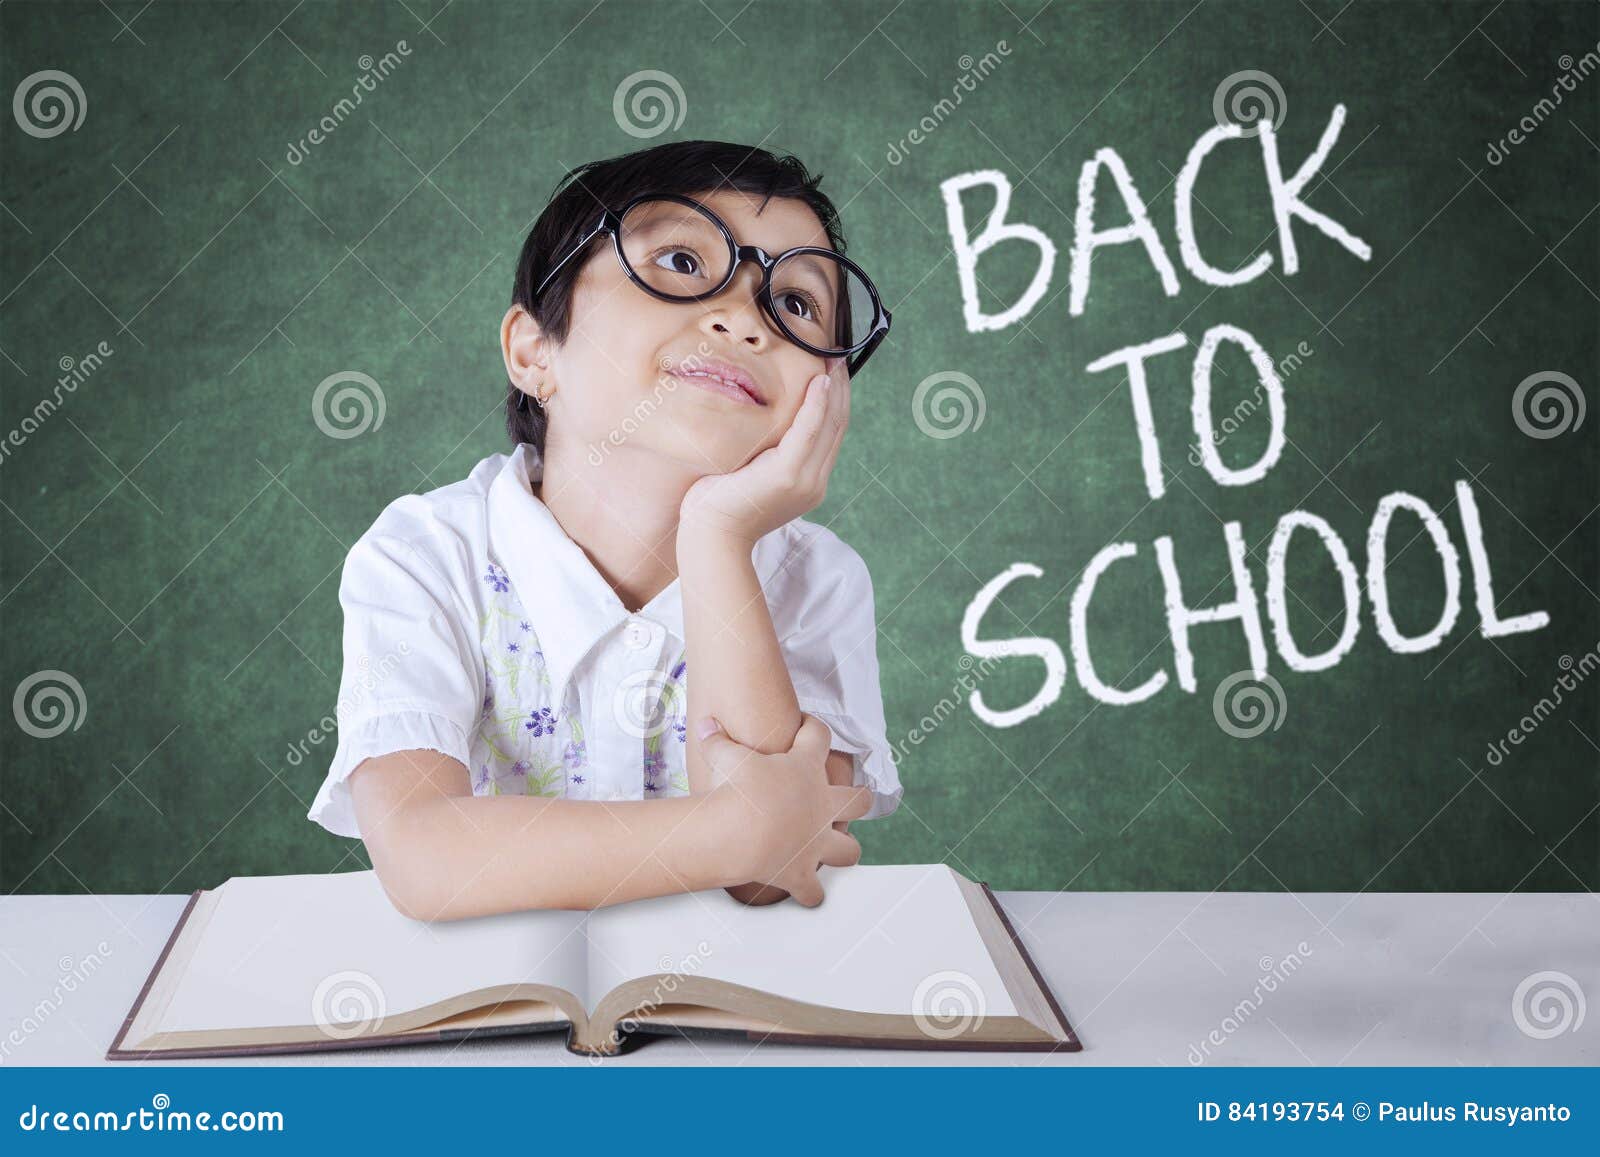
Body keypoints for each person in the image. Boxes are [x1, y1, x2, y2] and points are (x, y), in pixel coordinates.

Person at [306, 139, 901, 919]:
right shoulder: (425, 555)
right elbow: (425, 854)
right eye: (683, 263)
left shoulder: (819, 580)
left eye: (794, 303)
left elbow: (772, 878)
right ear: (533, 351)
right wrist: (736, 828)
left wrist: (718, 538)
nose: (745, 319)